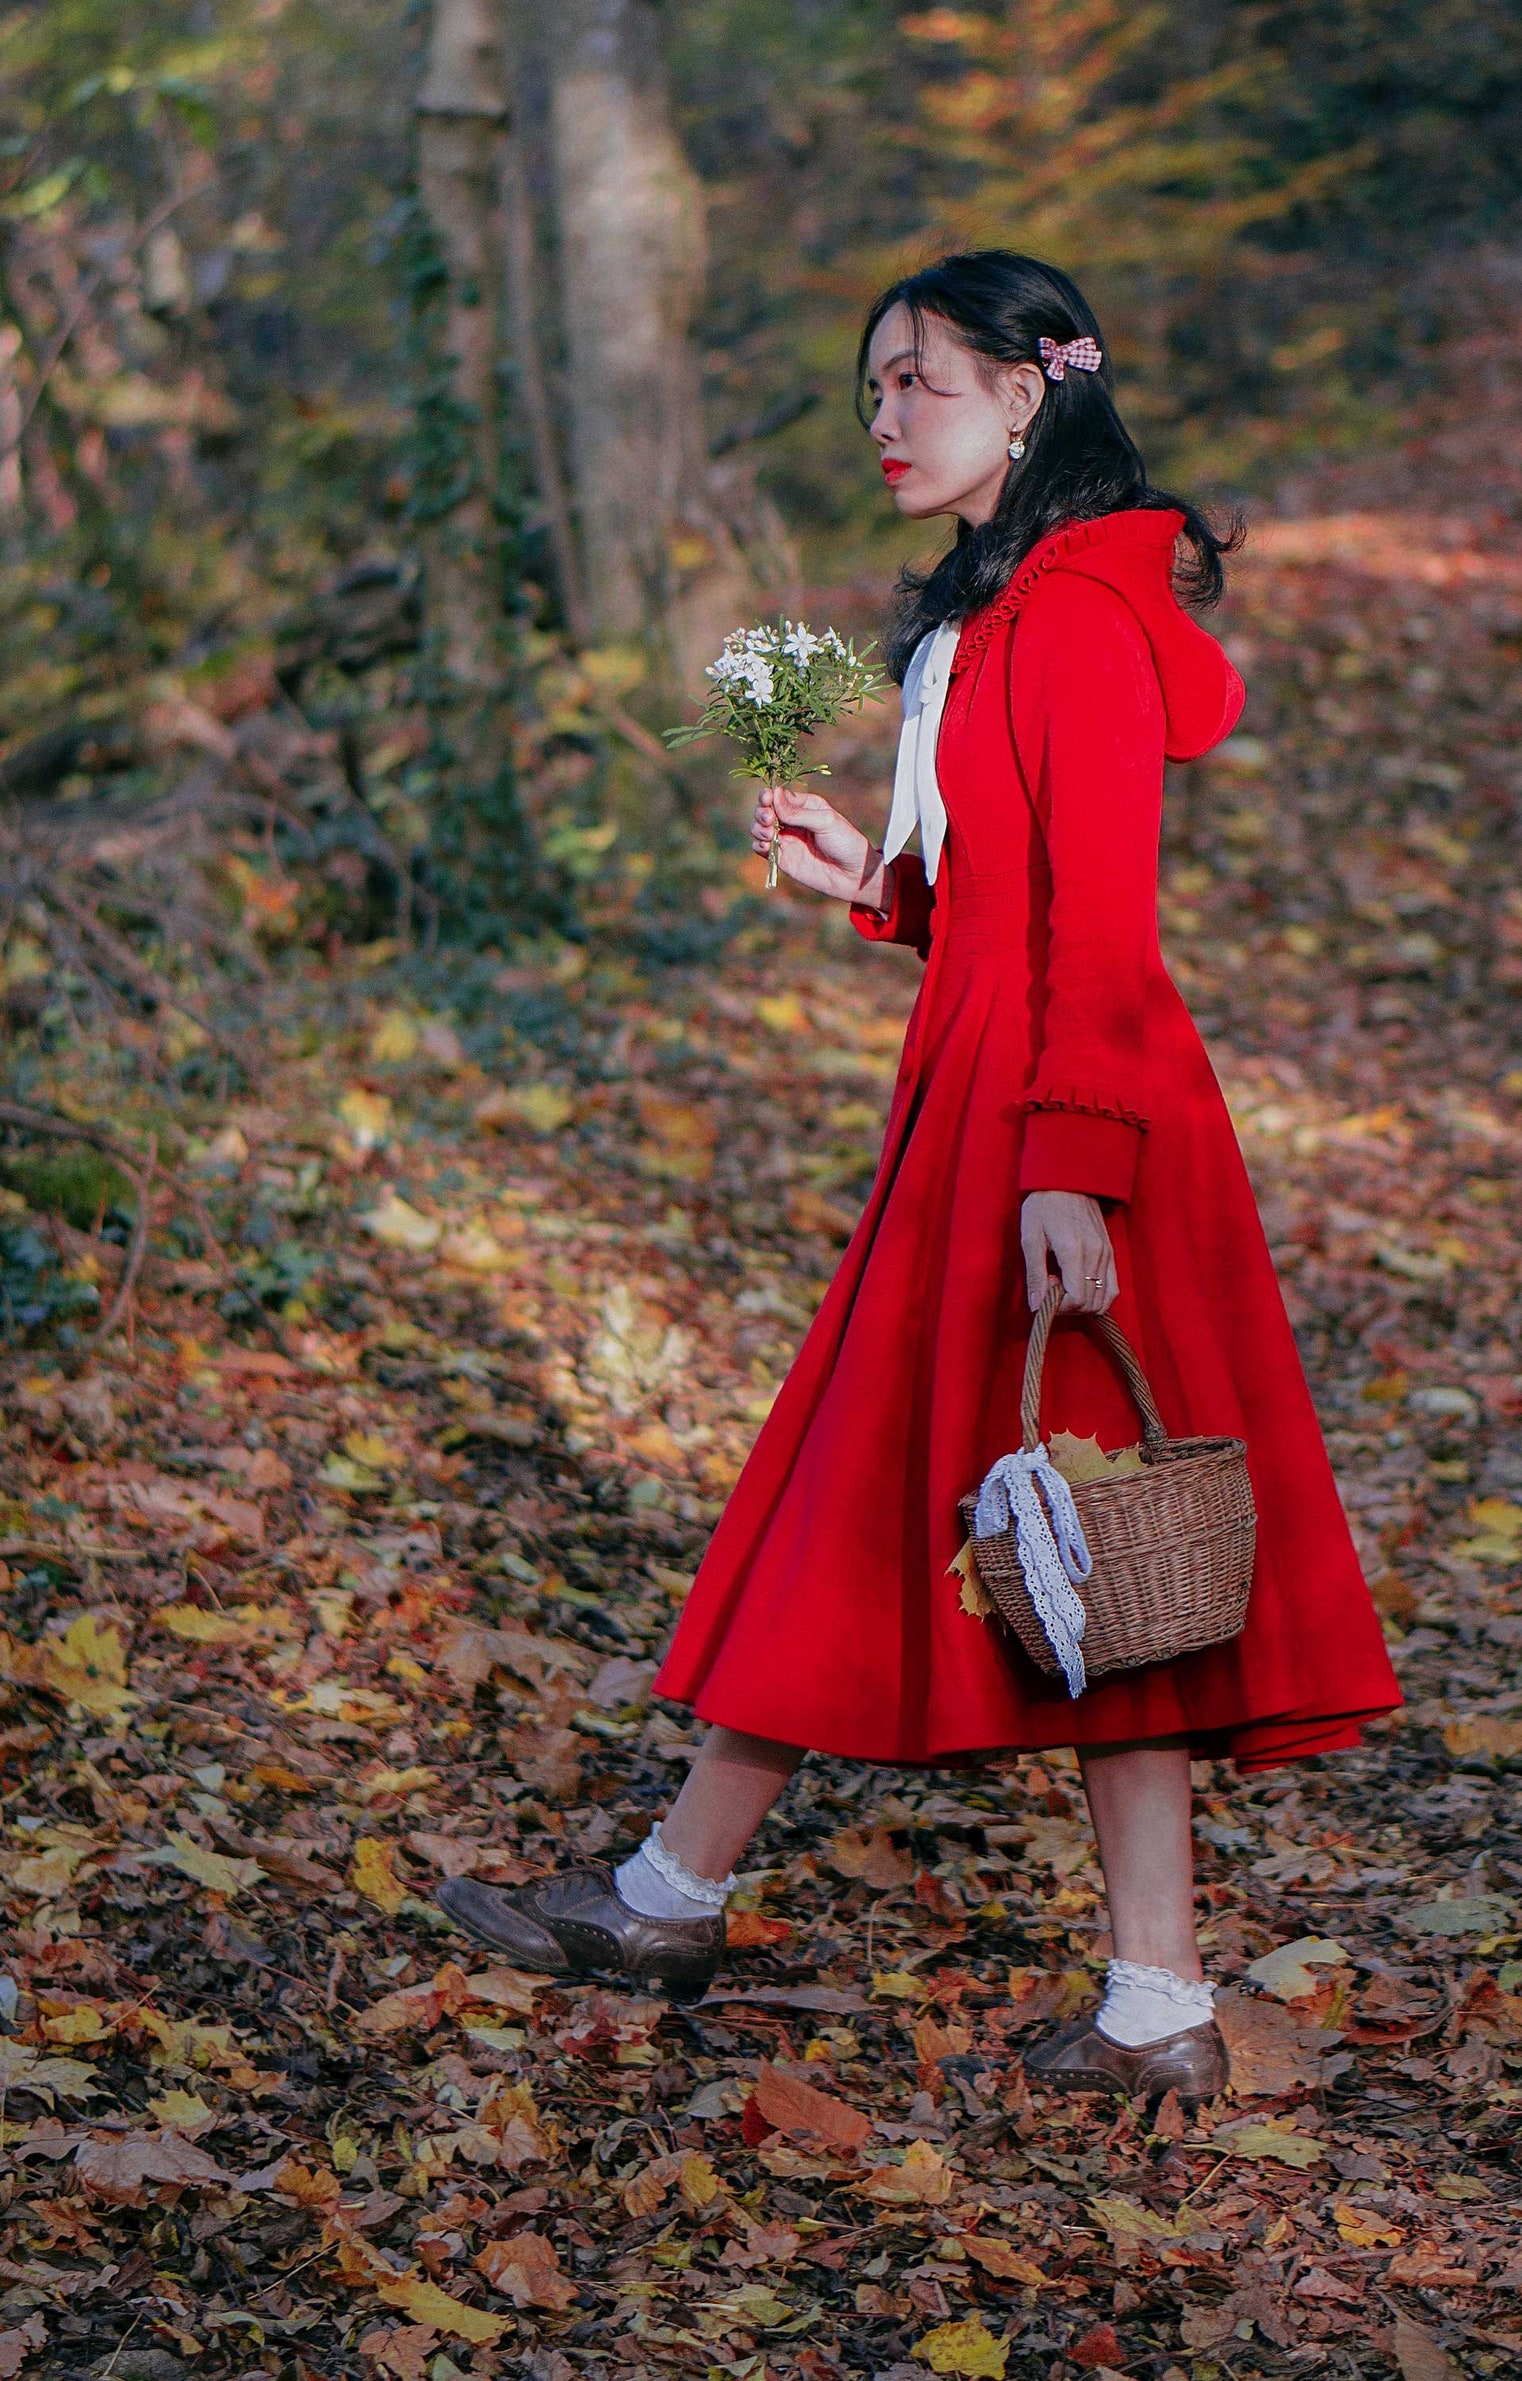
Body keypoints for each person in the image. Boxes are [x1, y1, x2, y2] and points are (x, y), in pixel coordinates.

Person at [437, 250, 1402, 2106]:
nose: (883, 420)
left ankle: (699, 1897)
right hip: (1004, 1099)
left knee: (1059, 1522)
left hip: (1064, 1119)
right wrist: (867, 877)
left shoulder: (1079, 615)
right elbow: (1006, 904)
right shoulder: (1005, 607)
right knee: (1024, 1515)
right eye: (869, 388)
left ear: (1034, 389)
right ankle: (1115, 1990)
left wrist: (1070, 1173)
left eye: (918, 382)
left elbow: (1103, 923)